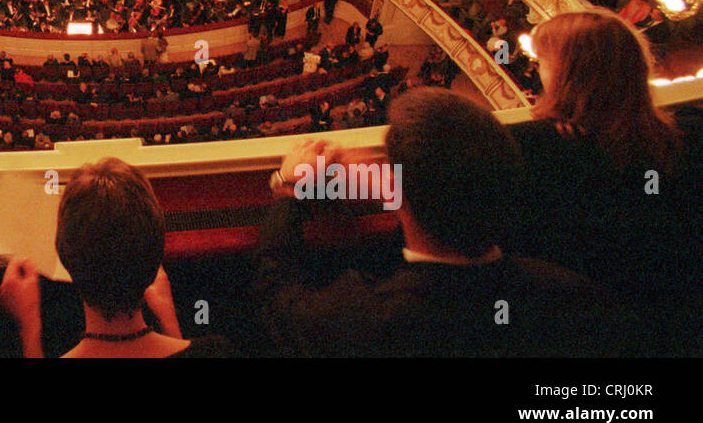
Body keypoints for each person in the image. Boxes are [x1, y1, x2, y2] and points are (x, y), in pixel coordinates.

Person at [246, 89, 642, 357]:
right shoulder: (577, 297)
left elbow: (276, 295)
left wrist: (291, 189)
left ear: (398, 194)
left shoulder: (371, 322)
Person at [507, 10, 701, 350]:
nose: (539, 73)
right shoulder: (687, 138)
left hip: (565, 328)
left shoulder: (532, 147)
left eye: (543, 63)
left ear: (570, 76)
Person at [0, 158, 232, 357]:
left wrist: (29, 327)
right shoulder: (218, 352)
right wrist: (170, 323)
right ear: (156, 256)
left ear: (63, 257)